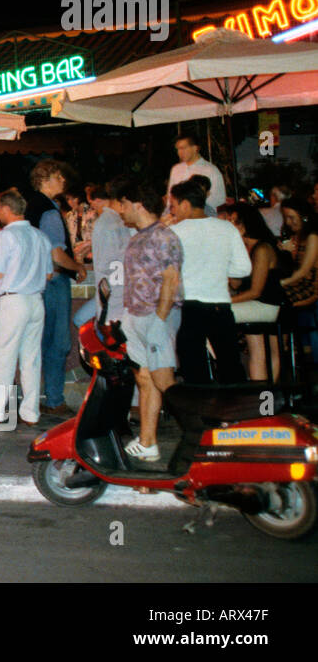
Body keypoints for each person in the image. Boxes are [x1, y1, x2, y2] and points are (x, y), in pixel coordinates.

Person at [115, 182, 183, 461]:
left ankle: (200, 433)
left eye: (124, 204)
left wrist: (160, 318)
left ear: (138, 204)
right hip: (137, 316)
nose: (121, 210)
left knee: (164, 379)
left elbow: (171, 278)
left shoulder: (163, 237)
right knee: (145, 379)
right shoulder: (138, 236)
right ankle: (147, 442)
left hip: (157, 316)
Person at [169, 179, 251, 384]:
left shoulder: (175, 232)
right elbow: (244, 268)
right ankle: (235, 412)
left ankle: (204, 413)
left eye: (174, 205)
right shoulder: (226, 228)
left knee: (194, 367)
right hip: (219, 305)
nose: (172, 210)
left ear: (185, 204)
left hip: (188, 308)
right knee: (230, 363)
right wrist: (220, 269)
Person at [0, 190, 54, 427]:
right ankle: (30, 412)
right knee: (31, 360)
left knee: (4, 357)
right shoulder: (40, 235)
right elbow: (49, 273)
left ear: (6, 209)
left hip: (13, 300)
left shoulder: (6, 236)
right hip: (36, 300)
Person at [25, 159, 86, 417]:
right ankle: (54, 399)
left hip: (37, 283)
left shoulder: (32, 206)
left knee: (41, 341)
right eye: (59, 176)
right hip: (54, 282)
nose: (63, 181)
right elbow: (56, 253)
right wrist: (78, 268)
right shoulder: (49, 211)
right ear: (46, 178)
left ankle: (40, 399)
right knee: (58, 343)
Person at [223, 203, 285, 382]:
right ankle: (262, 402)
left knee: (215, 315)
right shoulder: (244, 249)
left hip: (267, 304)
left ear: (245, 224)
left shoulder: (262, 249)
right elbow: (236, 284)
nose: (230, 225)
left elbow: (256, 291)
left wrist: (225, 302)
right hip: (255, 304)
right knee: (257, 352)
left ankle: (265, 396)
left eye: (234, 221)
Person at [72, 181, 134, 328]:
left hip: (113, 293)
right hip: (118, 292)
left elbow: (107, 263)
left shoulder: (106, 222)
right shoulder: (118, 221)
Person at [279, 198, 318, 362]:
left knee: (278, 297)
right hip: (300, 283)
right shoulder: (297, 237)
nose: (288, 222)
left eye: (291, 217)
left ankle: (286, 347)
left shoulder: (313, 237)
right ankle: (287, 347)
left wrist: (280, 284)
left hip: (311, 286)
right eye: (286, 218)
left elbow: (304, 271)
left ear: (303, 216)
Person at [167, 134, 225, 216]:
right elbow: (170, 197)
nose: (180, 152)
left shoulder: (210, 170)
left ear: (195, 148)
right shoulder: (176, 169)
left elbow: (219, 200)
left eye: (183, 148)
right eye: (178, 149)